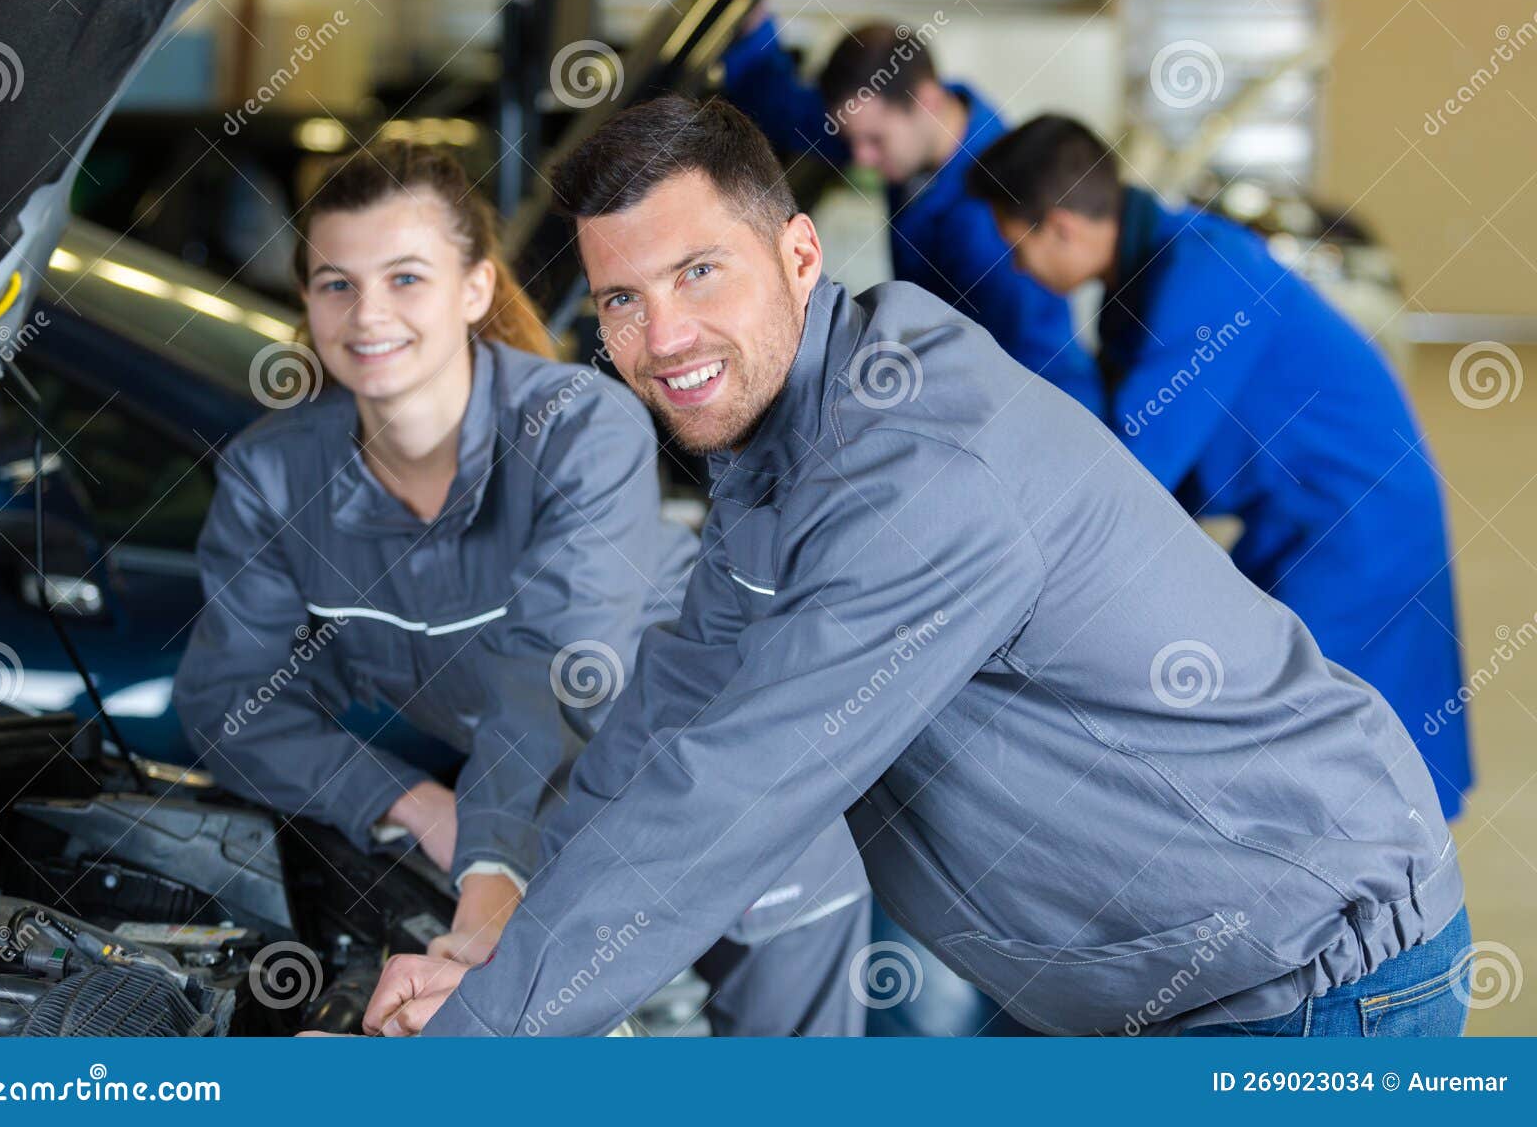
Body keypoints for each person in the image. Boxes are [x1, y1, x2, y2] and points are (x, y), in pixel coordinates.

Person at [361, 98, 1470, 1039]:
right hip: (1146, 974)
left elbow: (733, 793)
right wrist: (503, 941)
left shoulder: (915, 469)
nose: (664, 337)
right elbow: (669, 722)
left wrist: (472, 1042)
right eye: (622, 300)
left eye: (699, 273)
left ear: (801, 255)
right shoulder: (779, 444)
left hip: (1305, 981)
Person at [172, 142, 870, 1036]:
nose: (368, 313)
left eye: (406, 278)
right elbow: (230, 701)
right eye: (337, 283)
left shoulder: (578, 427)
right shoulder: (273, 477)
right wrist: (413, 803)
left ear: (474, 289)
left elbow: (551, 669)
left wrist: (489, 865)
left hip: (735, 825)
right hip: (535, 838)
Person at [967, 114, 1472, 821]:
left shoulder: (1203, 276)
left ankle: (1395, 883)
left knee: (1327, 748)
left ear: (1062, 228)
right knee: (1296, 734)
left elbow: (1132, 469)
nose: (1017, 270)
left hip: (1360, 523)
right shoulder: (1146, 276)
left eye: (1015, 248)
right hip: (1297, 514)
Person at [720, 5, 1101, 409]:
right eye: (851, 141)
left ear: (927, 102)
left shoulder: (994, 224)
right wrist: (754, 25)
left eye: (875, 140)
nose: (860, 158)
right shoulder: (899, 124)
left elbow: (1029, 372)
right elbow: (785, 111)